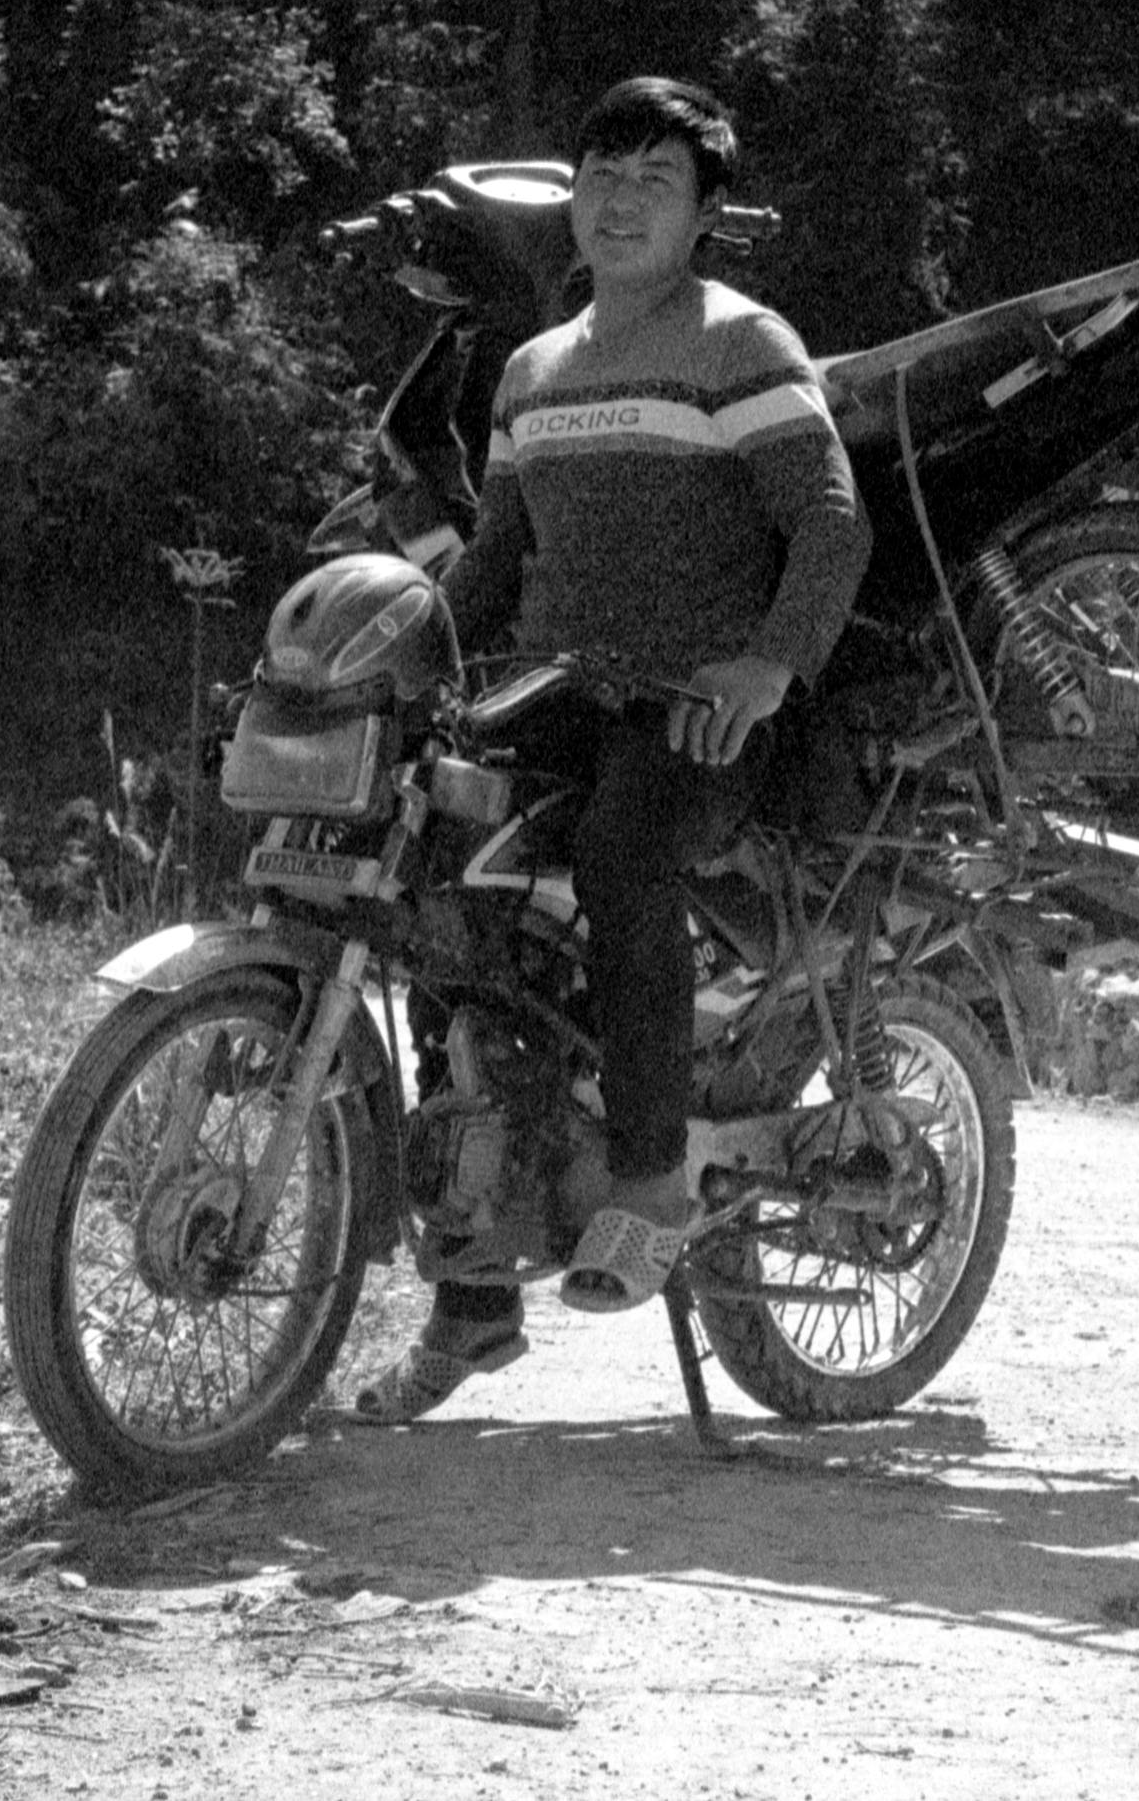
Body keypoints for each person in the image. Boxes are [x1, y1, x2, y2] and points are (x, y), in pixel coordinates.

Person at [356, 76, 869, 1423]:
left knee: (621, 852)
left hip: (707, 702)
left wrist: (764, 667)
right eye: (600, 176)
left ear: (704, 214)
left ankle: (648, 1183)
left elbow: (827, 524)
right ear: (569, 207)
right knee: (433, 902)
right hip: (560, 692)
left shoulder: (740, 342)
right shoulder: (534, 371)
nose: (620, 199)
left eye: (654, 179)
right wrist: (398, 672)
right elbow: (491, 562)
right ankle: (471, 1295)